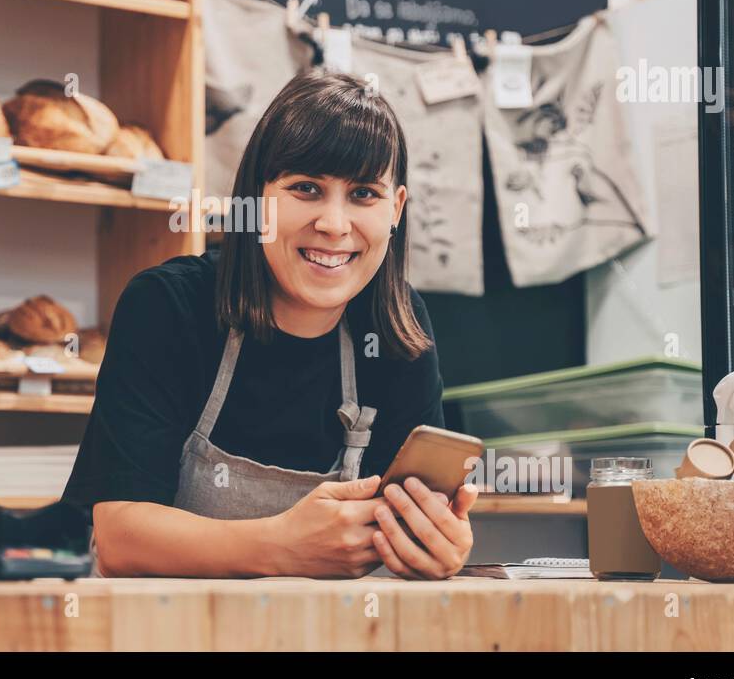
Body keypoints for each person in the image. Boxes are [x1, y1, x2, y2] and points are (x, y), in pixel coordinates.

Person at [62, 70, 478, 578]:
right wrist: (279, 545)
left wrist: (434, 542)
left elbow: (403, 533)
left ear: (397, 209)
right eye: (306, 188)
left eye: (364, 194)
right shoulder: (168, 307)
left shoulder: (397, 331)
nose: (334, 223)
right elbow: (120, 535)